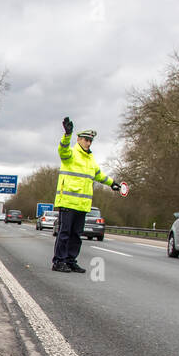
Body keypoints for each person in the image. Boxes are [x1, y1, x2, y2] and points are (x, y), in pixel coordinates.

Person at [53, 117, 121, 273]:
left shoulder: (91, 159)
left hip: (83, 205)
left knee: (76, 236)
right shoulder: (70, 154)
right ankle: (58, 261)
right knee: (64, 234)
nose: (88, 143)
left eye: (90, 141)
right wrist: (67, 134)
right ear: (78, 140)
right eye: (86, 140)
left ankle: (70, 261)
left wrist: (112, 183)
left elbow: (99, 175)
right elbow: (62, 150)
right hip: (68, 203)